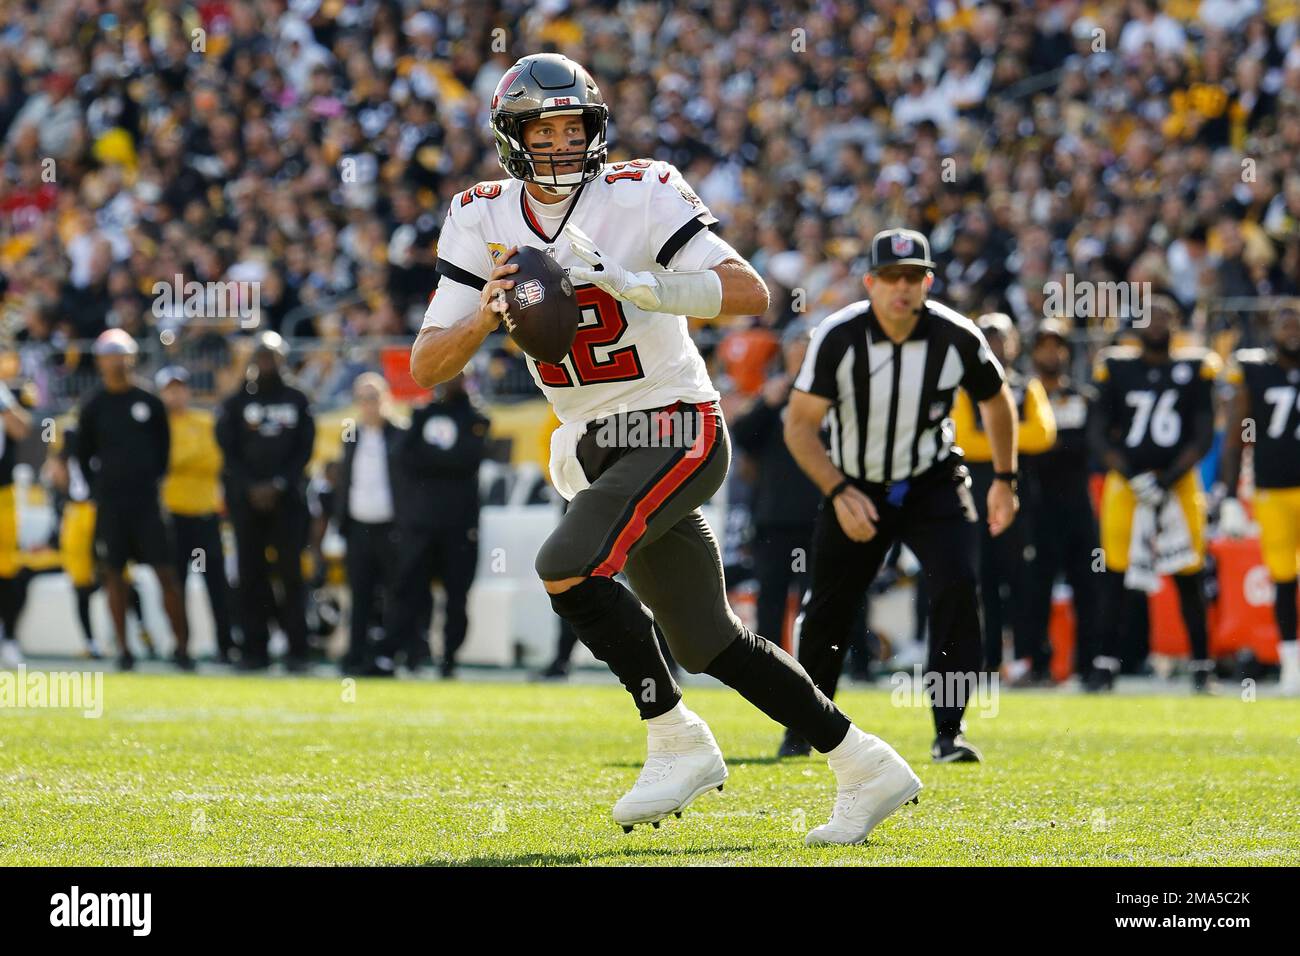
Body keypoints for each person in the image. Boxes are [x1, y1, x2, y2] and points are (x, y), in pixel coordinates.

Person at [410, 53, 922, 845]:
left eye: (573, 125)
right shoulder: (479, 214)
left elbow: (752, 291)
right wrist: (486, 315)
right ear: (513, 137)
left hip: (673, 422)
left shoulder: (642, 190)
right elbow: (425, 364)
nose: (560, 142)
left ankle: (675, 737)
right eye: (542, 128)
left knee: (567, 563)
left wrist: (651, 287)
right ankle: (865, 763)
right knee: (707, 638)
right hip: (593, 443)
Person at [783, 227, 1019, 764]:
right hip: (855, 481)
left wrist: (1005, 481)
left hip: (931, 479)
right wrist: (838, 490)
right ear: (870, 282)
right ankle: (806, 726)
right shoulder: (838, 337)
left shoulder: (956, 337)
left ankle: (949, 731)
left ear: (928, 282)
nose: (902, 288)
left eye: (913, 277)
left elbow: (997, 401)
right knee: (828, 606)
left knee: (958, 586)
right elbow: (799, 427)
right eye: (891, 277)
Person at [1087, 296, 1218, 692]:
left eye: (1165, 317)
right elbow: (1097, 430)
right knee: (1115, 573)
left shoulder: (1196, 367)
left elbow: (1203, 431)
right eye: (1149, 317)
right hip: (1127, 484)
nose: (1157, 324)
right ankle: (1105, 664)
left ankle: (1201, 666)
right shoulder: (1115, 366)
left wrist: (1169, 478)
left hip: (1178, 484)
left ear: (1177, 323)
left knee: (1189, 574)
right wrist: (1129, 473)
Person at [75, 329, 192, 670]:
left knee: (166, 574)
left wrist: (148, 484)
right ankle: (124, 650)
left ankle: (181, 648)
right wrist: (100, 491)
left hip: (146, 505)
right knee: (114, 575)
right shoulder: (93, 405)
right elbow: (83, 455)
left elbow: (163, 452)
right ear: (99, 362)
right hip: (111, 505)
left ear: (131, 357)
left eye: (121, 355)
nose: (116, 363)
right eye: (109, 356)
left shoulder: (150, 402)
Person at [950, 313, 1056, 683]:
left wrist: (994, 439)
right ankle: (987, 661)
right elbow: (962, 438)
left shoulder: (1027, 387)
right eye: (988, 337)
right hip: (975, 499)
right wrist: (1011, 436)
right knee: (981, 583)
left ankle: (1031, 659)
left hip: (1021, 500)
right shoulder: (963, 388)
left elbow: (1044, 435)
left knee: (1026, 582)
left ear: (1014, 343)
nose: (995, 345)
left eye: (1002, 338)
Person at [215, 331, 316, 672]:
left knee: (291, 575)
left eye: (271, 356)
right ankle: (253, 649)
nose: (265, 362)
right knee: (250, 574)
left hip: (287, 502)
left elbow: (304, 449)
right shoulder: (236, 403)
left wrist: (278, 484)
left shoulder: (298, 399)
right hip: (246, 502)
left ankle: (297, 649)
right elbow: (228, 452)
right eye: (260, 356)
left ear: (282, 360)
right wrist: (251, 486)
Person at [376, 373, 488, 678]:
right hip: (421, 521)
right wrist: (444, 460)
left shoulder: (476, 418)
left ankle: (449, 657)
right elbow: (402, 456)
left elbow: (468, 458)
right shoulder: (422, 414)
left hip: (459, 524)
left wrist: (431, 459)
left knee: (456, 594)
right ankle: (405, 652)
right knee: (409, 588)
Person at [1220, 302, 1300, 695]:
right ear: (1272, 330)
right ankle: (1291, 664)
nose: (1293, 331)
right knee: (1284, 579)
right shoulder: (1255, 370)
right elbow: (1236, 434)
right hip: (1273, 490)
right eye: (1286, 325)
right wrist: (1230, 494)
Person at [1021, 320, 1102, 683]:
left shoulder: (1084, 397)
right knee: (1035, 590)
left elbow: (1089, 447)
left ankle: (1089, 664)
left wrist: (1047, 444)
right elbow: (1027, 451)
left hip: (1077, 507)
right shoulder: (1022, 398)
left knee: (1088, 587)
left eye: (1057, 346)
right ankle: (1037, 663)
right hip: (1037, 508)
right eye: (1043, 346)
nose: (1050, 354)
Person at [157, 366, 235, 663]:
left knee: (217, 584)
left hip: (204, 515)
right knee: (175, 586)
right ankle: (182, 645)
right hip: (173, 516)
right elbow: (165, 462)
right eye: (170, 389)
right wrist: (188, 460)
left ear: (188, 391)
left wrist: (180, 462)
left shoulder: (204, 422)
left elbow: (213, 460)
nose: (175, 394)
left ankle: (226, 645)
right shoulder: (158, 425)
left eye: (180, 388)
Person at [335, 373, 403, 674]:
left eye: (373, 397)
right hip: (358, 526)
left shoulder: (399, 433)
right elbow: (344, 481)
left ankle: (389, 655)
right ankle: (356, 654)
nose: (368, 404)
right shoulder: (352, 435)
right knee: (359, 595)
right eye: (363, 398)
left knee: (395, 594)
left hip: (390, 527)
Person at [0, 379, 31, 668]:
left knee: (7, 568)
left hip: (2, 493)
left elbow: (21, 429)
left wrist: (3, 403)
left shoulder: (6, 393)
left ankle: (8, 638)